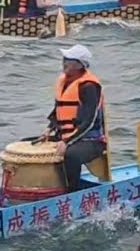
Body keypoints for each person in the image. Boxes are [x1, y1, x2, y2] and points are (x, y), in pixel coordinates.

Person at [40, 44, 108, 191]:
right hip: (66, 137)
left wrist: (66, 142)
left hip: (91, 141)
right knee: (27, 144)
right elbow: (59, 109)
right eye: (64, 59)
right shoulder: (64, 82)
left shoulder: (89, 86)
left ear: (79, 65)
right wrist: (49, 129)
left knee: (70, 156)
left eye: (68, 60)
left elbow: (89, 121)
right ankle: (45, 187)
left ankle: (72, 192)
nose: (64, 63)